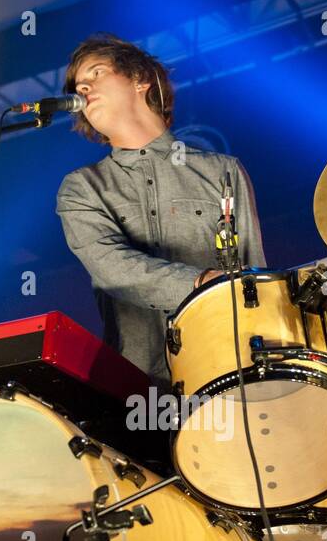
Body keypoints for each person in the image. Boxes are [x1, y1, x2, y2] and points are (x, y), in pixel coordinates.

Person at [55, 34, 267, 389]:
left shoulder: (222, 170)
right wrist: (199, 282)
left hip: (226, 371)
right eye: (80, 85)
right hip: (136, 384)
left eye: (97, 73)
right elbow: (112, 269)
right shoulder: (83, 186)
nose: (85, 88)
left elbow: (254, 274)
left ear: (140, 79)